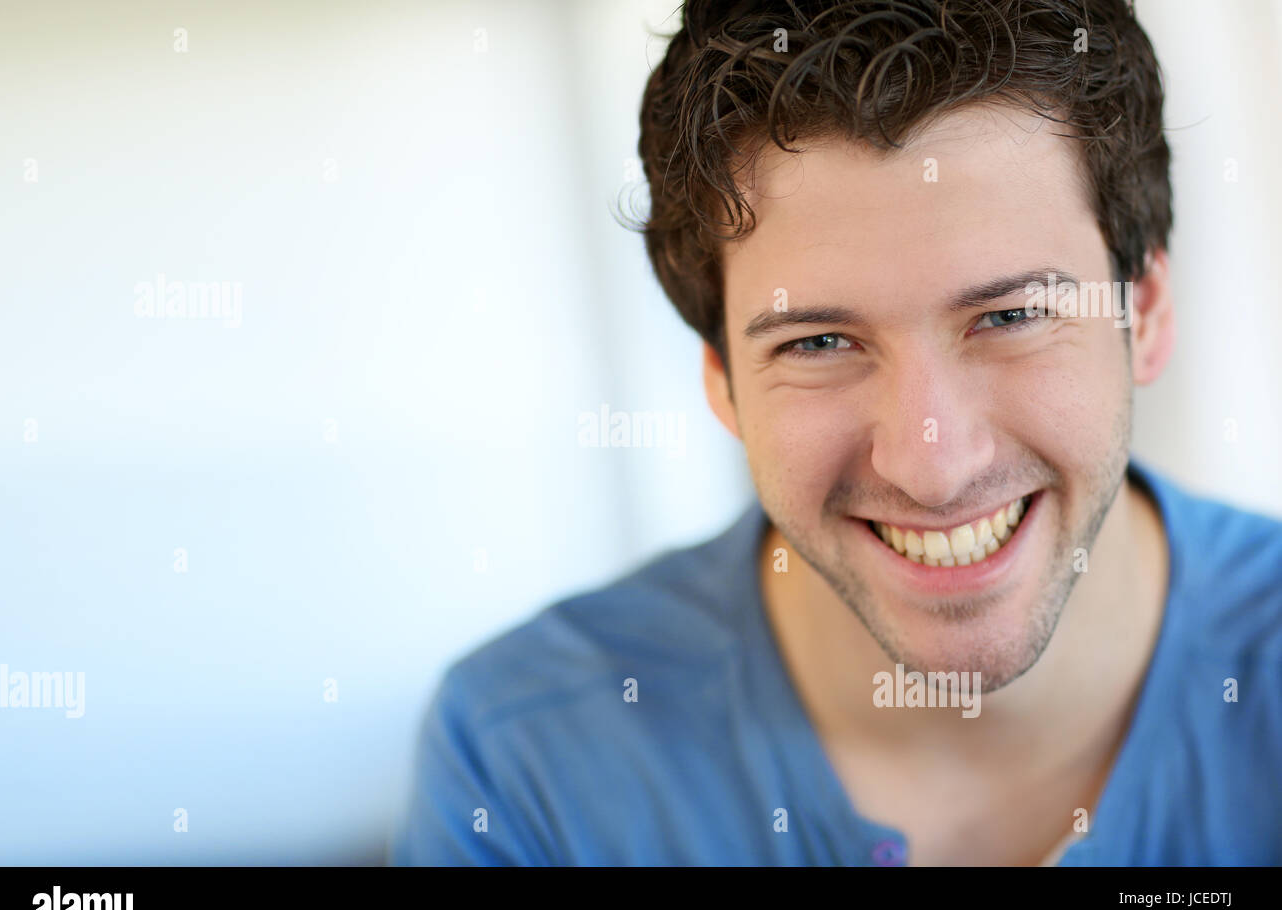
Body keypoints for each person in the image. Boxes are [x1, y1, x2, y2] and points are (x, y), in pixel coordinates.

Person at [393, 0, 1282, 865]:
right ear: (723, 384)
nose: (932, 464)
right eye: (818, 342)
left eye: (1010, 316)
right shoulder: (524, 768)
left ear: (1149, 312)